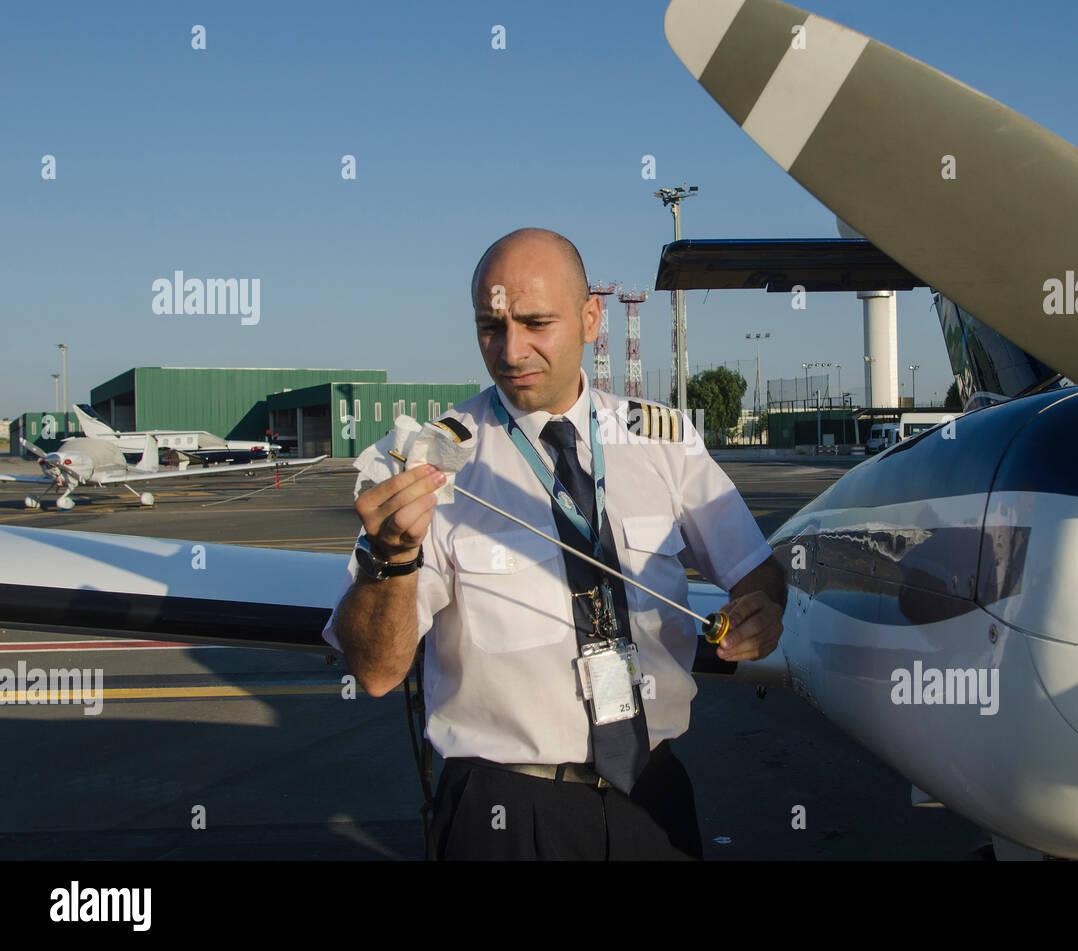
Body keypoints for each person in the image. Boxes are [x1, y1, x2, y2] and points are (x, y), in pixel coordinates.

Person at [322, 228, 785, 860]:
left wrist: (759, 613)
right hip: (504, 815)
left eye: (537, 322)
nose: (511, 351)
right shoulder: (432, 463)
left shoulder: (663, 441)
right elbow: (375, 673)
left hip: (652, 800)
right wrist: (391, 559)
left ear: (592, 318)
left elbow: (756, 572)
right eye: (492, 326)